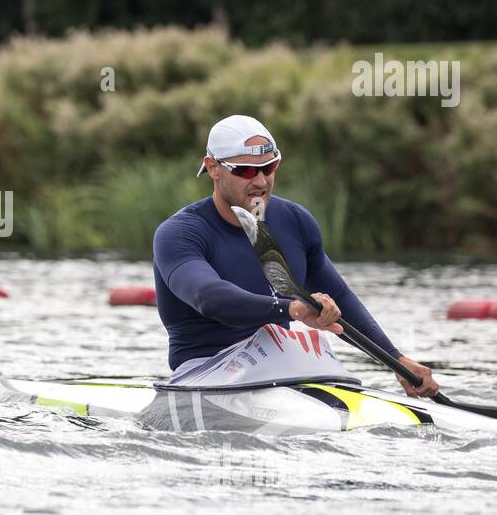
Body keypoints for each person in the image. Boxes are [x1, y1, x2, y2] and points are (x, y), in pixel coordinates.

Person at [152, 114, 439, 398]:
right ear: (212, 168)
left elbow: (340, 296)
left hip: (281, 369)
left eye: (270, 167)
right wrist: (291, 309)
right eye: (246, 171)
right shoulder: (179, 234)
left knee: (312, 349)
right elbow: (208, 297)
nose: (262, 181)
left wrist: (396, 360)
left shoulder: (294, 221)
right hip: (203, 372)